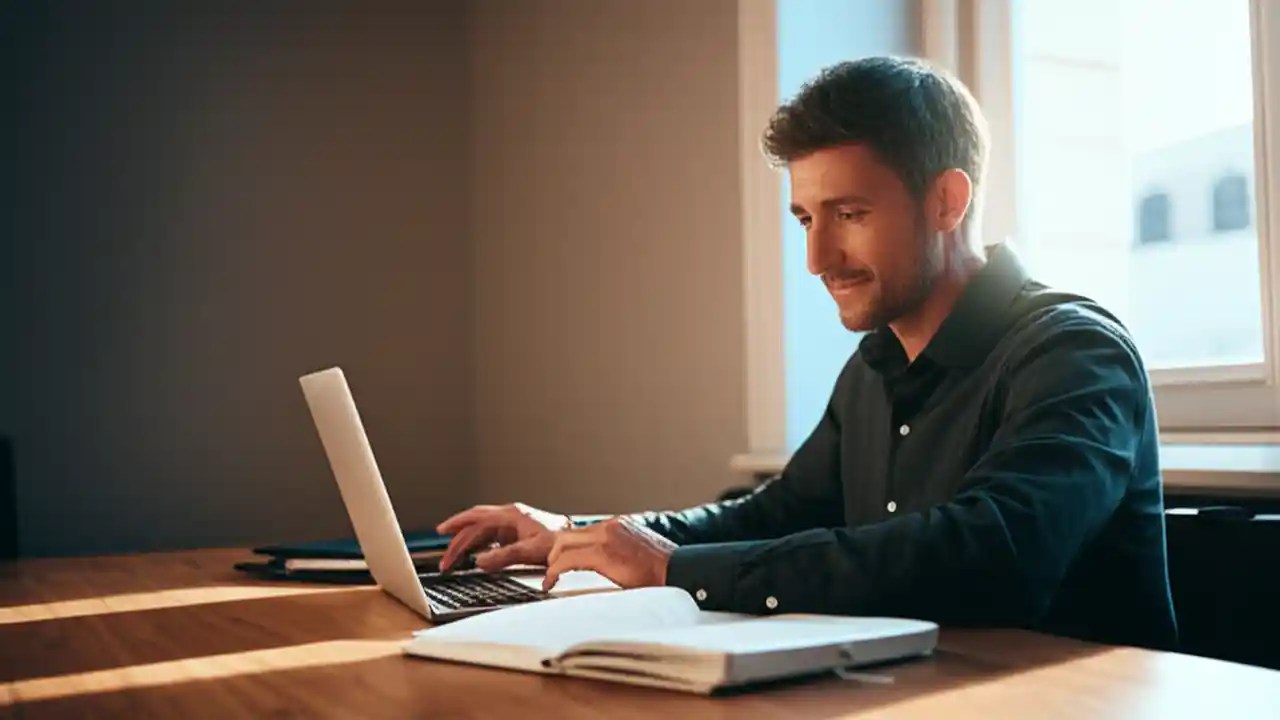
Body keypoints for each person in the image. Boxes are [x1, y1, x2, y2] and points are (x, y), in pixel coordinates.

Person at [438, 56, 1178, 650]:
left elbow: (993, 555)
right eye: (804, 219)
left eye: (850, 214)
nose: (818, 257)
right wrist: (586, 537)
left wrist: (673, 568)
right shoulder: (876, 365)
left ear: (949, 202)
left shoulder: (1075, 352)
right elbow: (775, 516)